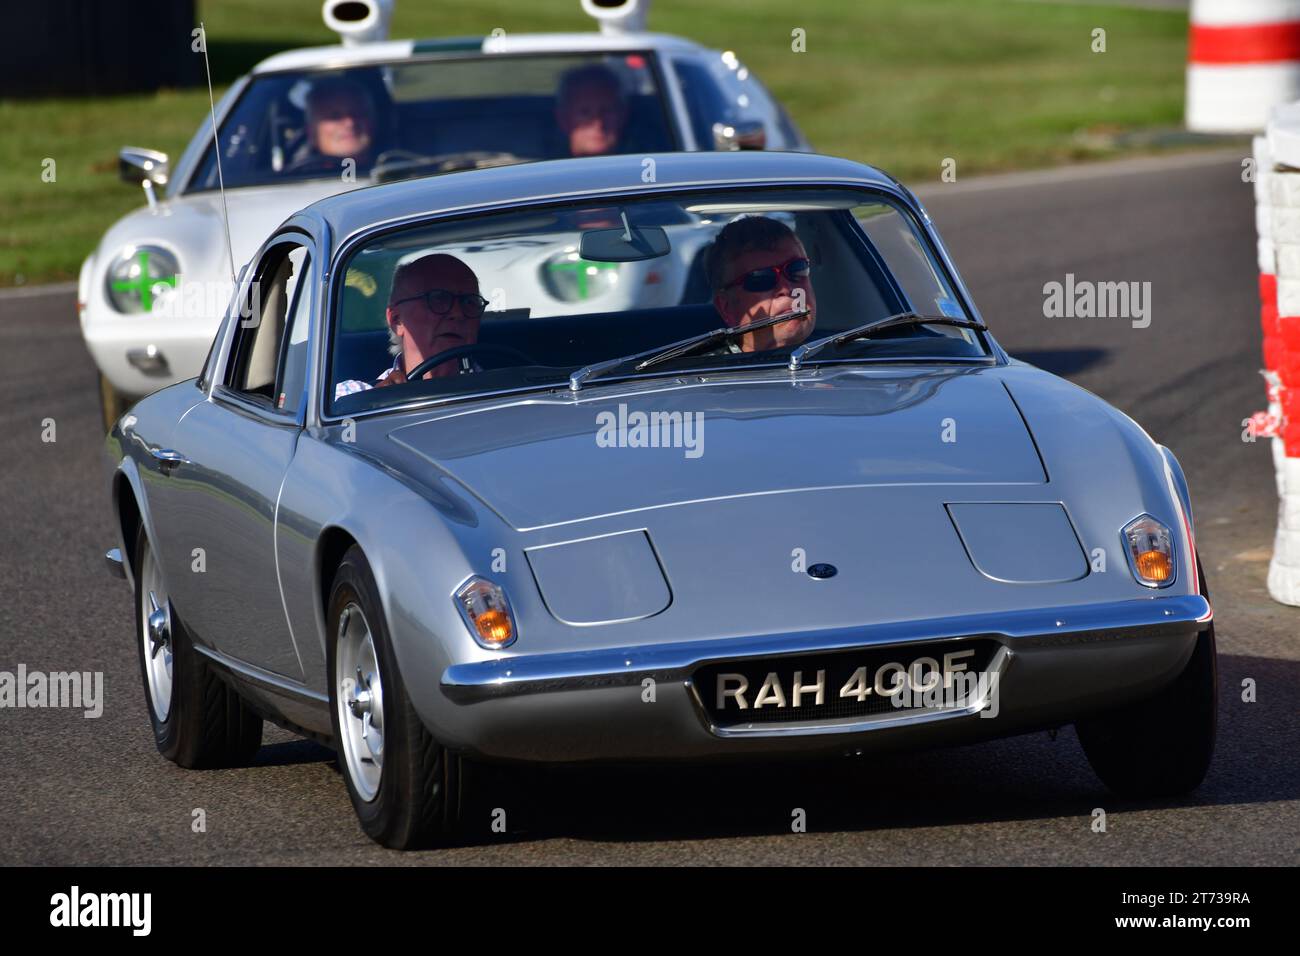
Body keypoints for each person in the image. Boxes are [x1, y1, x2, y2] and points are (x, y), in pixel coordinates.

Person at [335, 253, 488, 400]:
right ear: (397, 320)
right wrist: (374, 404)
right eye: (438, 298)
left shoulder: (507, 392)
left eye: (469, 302)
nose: (458, 313)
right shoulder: (350, 397)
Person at [705, 216, 816, 353]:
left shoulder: (843, 356)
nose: (786, 288)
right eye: (761, 279)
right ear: (726, 308)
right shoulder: (707, 372)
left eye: (796, 268)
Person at [291, 77, 376, 172]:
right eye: (335, 116)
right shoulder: (295, 182)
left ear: (372, 123)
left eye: (358, 113)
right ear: (312, 132)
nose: (350, 123)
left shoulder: (394, 173)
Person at [555, 63, 628, 158]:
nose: (598, 124)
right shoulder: (543, 170)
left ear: (622, 115)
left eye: (606, 111)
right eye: (585, 113)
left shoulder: (645, 167)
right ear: (564, 119)